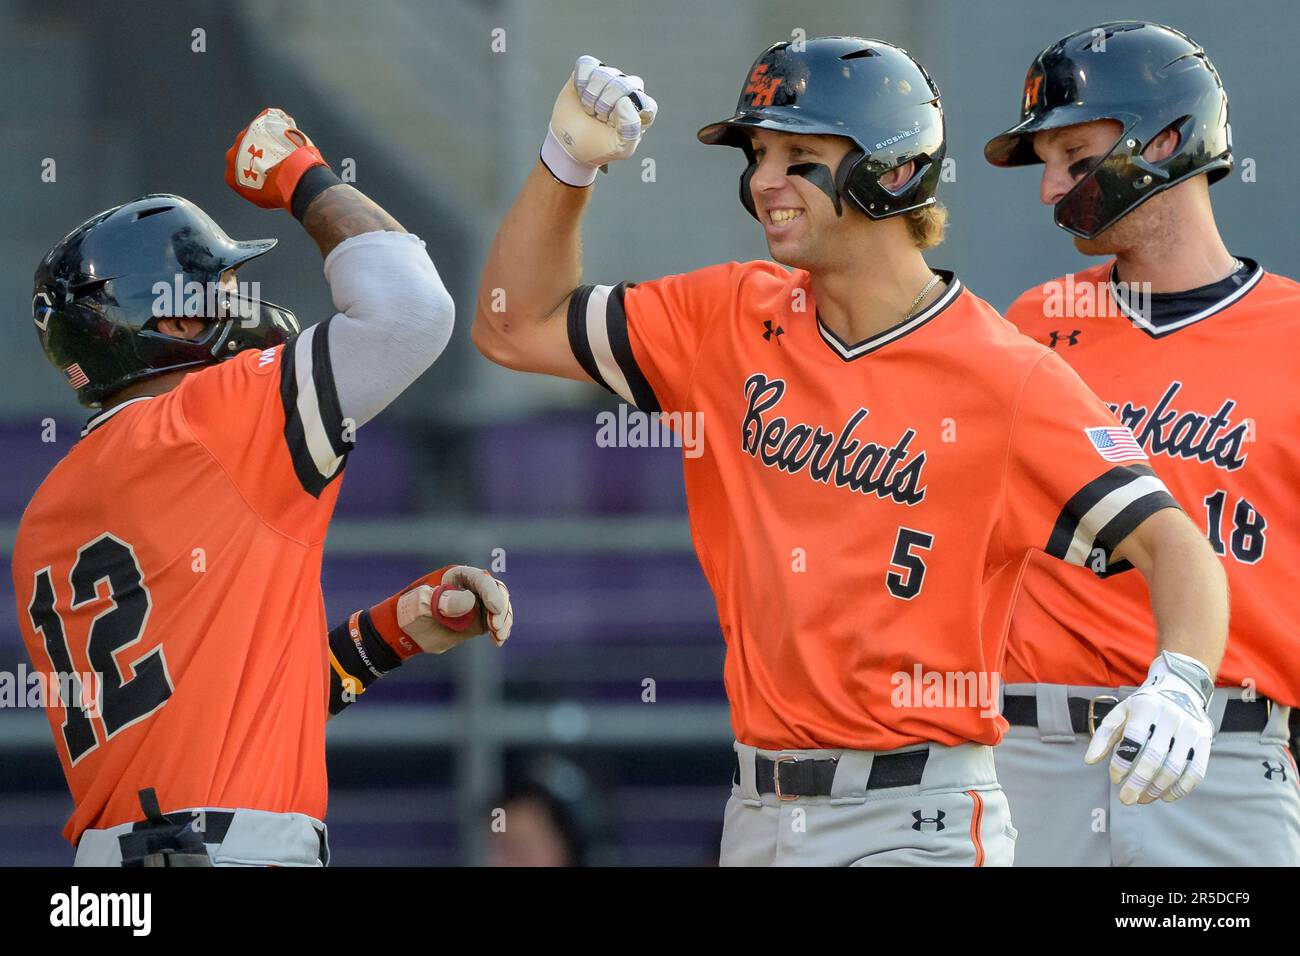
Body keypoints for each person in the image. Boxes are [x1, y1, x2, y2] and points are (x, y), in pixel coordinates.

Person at [473, 39, 1227, 866]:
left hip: (916, 816)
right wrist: (565, 165)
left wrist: (1182, 680)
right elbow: (511, 327)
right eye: (761, 153)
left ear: (893, 170)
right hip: (758, 812)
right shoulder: (723, 317)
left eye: (802, 157)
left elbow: (1177, 547)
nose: (766, 179)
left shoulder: (1005, 376)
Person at [13, 109, 512, 866]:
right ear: (170, 317)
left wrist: (390, 633)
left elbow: (228, 703)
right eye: (217, 289)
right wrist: (299, 175)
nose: (239, 304)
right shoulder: (206, 424)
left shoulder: (48, 509)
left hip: (108, 883)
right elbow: (413, 311)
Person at [985, 20, 1300, 866]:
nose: (1051, 190)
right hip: (1035, 750)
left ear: (1165, 140)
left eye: (1076, 158)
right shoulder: (1034, 325)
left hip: (1227, 754)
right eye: (1046, 163)